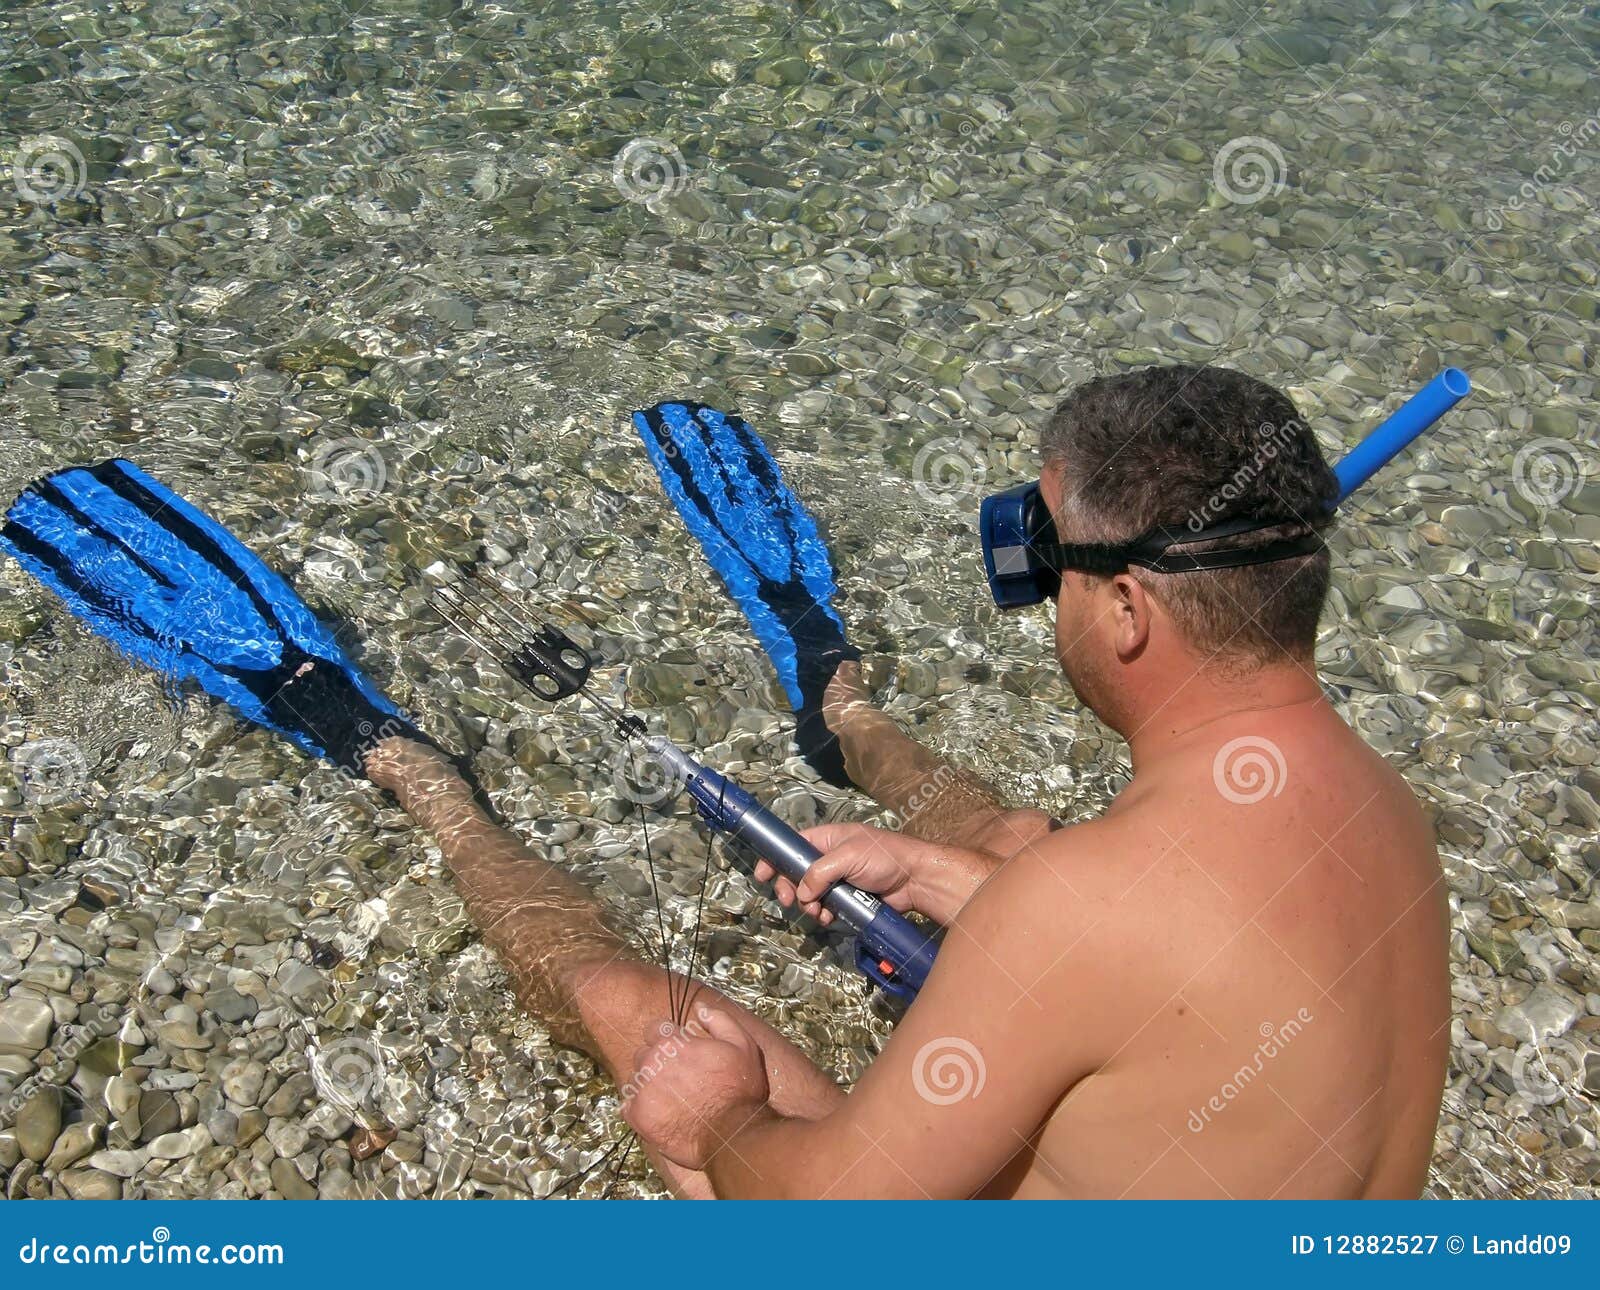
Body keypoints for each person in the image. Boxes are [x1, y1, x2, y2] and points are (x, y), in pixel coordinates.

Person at [367, 364, 1449, 1198]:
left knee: (646, 1015)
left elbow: (830, 1218)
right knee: (1019, 845)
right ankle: (845, 718)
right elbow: (1182, 986)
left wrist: (720, 1119)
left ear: (1126, 611)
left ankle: (438, 801)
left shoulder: (1084, 905)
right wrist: (953, 877)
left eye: (1045, 545)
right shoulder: (1384, 813)